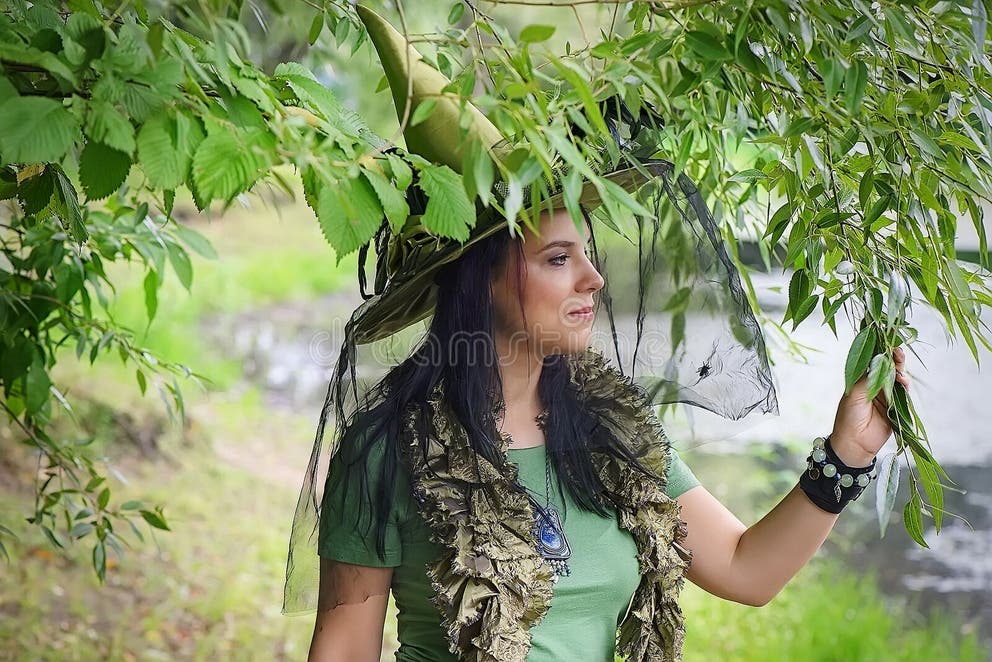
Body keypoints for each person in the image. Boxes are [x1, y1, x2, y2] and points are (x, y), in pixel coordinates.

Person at [286, 7, 912, 661]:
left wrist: (848, 454)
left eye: (585, 254)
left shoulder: (611, 428)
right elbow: (344, 647)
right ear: (481, 279)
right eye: (558, 259)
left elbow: (743, 567)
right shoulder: (387, 446)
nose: (592, 279)